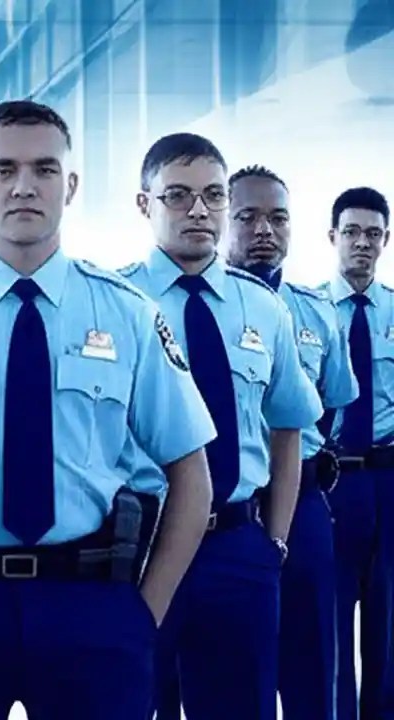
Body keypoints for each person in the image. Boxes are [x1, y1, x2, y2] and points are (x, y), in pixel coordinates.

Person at [0, 99, 216, 720]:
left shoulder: (127, 314)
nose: (24, 186)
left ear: (71, 185)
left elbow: (192, 474)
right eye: (3, 170)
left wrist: (142, 613)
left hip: (89, 604)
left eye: (45, 169)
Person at [119, 133, 322, 720]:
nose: (199, 211)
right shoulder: (113, 300)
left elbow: (289, 428)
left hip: (237, 548)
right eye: (178, 196)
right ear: (145, 204)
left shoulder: (263, 308)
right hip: (138, 547)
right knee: (131, 699)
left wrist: (274, 540)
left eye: (212, 195)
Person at [226, 164, 357, 720]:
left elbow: (333, 398)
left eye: (277, 218)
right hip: (222, 511)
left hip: (301, 504)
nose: (264, 230)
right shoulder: (194, 305)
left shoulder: (317, 311)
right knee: (224, 668)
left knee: (311, 661)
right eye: (248, 216)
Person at [321, 186, 394, 720]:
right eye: (352, 232)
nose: (362, 243)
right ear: (333, 237)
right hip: (331, 481)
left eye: (373, 234)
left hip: (390, 480)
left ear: (386, 240)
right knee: (330, 615)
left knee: (389, 622)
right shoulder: (304, 310)